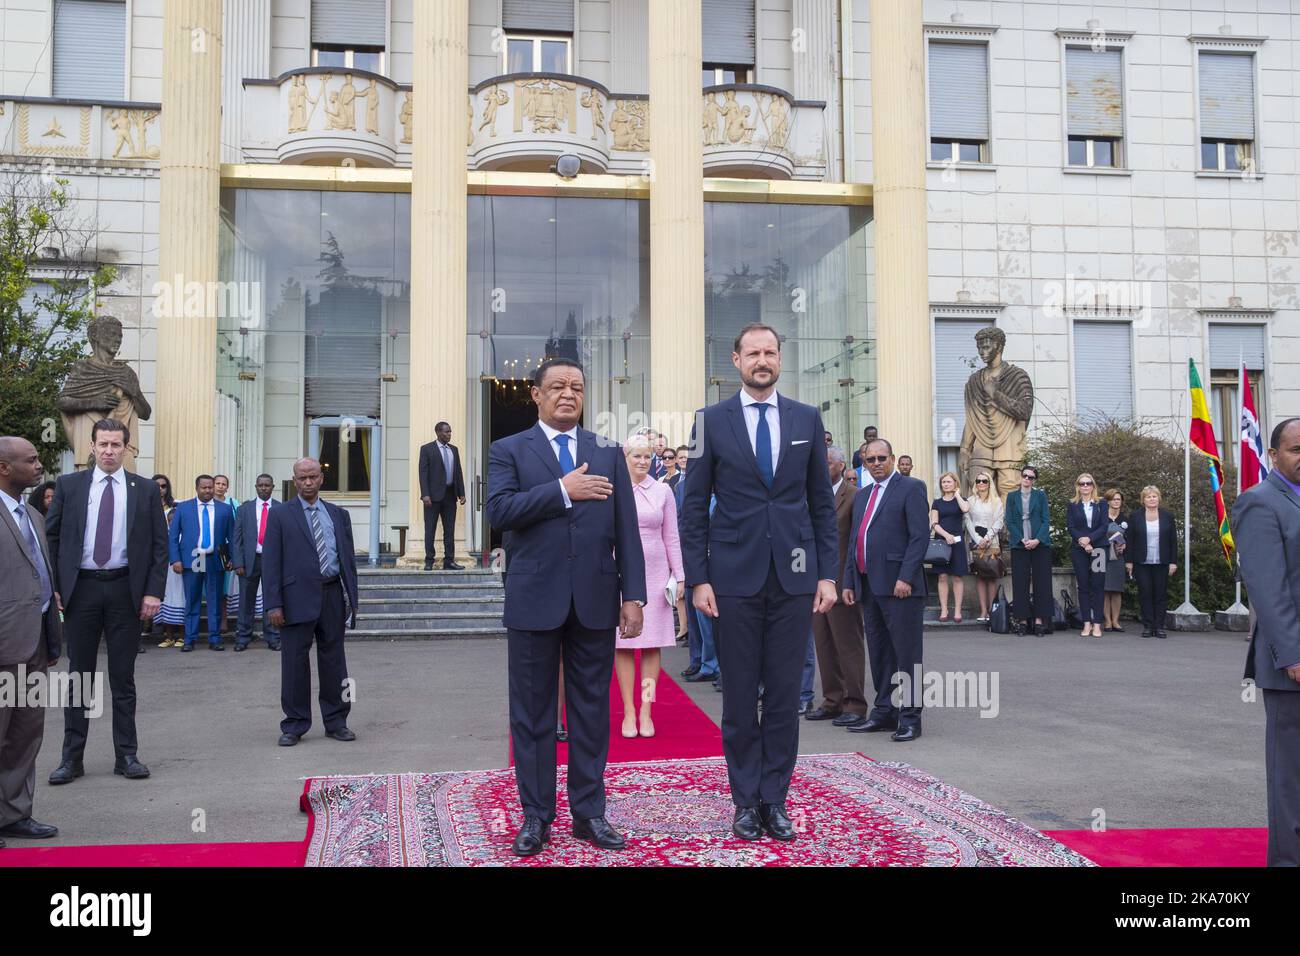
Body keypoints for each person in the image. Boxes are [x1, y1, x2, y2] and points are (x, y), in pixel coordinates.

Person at [680, 323, 838, 843]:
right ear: (736, 359)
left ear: (779, 359)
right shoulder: (710, 421)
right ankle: (745, 801)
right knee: (741, 696)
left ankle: (775, 800)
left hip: (794, 579)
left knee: (788, 694)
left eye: (770, 352)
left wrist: (827, 575)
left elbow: (820, 504)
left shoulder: (806, 419)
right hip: (733, 580)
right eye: (753, 353)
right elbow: (693, 510)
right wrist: (697, 579)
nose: (762, 360)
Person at [486, 358, 646, 857]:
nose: (567, 394)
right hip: (535, 598)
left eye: (576, 387)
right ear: (536, 395)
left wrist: (634, 595)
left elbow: (627, 529)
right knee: (532, 714)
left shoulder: (607, 451)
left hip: (596, 599)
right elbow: (499, 511)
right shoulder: (508, 449)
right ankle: (536, 816)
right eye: (556, 386)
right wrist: (562, 490)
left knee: (592, 711)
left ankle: (589, 812)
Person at [46, 418, 167, 785]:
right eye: (104, 445)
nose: (110, 451)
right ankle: (72, 758)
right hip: (80, 591)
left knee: (123, 677)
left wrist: (153, 591)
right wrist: (54, 585)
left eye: (117, 445)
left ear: (127, 449)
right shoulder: (69, 486)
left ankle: (126, 755)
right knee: (79, 677)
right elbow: (50, 539)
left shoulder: (145, 490)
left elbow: (160, 547)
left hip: (124, 592)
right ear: (93, 447)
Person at [1232, 417, 1300, 866]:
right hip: (1291, 664)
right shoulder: (1259, 503)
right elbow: (1267, 589)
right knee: (1291, 779)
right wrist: (1294, 653)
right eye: (1297, 449)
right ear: (1272, 455)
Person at [262, 457, 360, 746]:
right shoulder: (281, 515)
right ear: (294, 481)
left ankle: (337, 720)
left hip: (331, 596)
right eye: (302, 478)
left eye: (313, 477)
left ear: (321, 479)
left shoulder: (338, 514)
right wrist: (273, 604)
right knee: (294, 663)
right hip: (294, 600)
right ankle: (294, 723)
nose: (307, 482)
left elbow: (348, 560)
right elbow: (271, 562)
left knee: (335, 663)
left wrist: (352, 600)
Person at [840, 438, 930, 741]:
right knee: (879, 654)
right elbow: (856, 540)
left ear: (892, 458)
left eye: (881, 458)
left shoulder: (911, 487)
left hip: (900, 586)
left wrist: (906, 577)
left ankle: (911, 718)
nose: (876, 463)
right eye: (870, 460)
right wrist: (850, 581)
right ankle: (884, 711)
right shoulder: (863, 496)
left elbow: (919, 538)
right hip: (869, 585)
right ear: (863, 463)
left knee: (907, 655)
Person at [0, 437, 61, 845]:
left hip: (34, 642)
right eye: (31, 460)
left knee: (26, 733)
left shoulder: (34, 516)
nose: (38, 466)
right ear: (5, 467)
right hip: (3, 644)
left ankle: (14, 814)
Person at [616, 433, 684, 739]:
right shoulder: (614, 489)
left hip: (656, 573)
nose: (643, 461)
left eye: (647, 456)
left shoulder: (663, 491)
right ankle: (628, 710)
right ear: (625, 457)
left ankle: (646, 710)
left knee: (652, 644)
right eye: (637, 456)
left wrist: (680, 576)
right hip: (621, 571)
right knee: (625, 643)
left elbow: (672, 535)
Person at [806, 446, 868, 728]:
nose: (823, 466)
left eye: (828, 462)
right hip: (815, 585)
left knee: (848, 646)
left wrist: (852, 582)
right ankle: (832, 700)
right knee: (824, 644)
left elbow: (857, 543)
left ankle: (854, 703)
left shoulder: (855, 497)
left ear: (841, 466)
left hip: (843, 584)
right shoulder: (811, 496)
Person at [169, 475, 233, 651]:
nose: (207, 491)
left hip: (214, 558)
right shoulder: (183, 508)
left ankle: (214, 638)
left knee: (214, 599)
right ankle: (189, 639)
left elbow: (232, 537)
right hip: (193, 557)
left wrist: (233, 558)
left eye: (210, 487)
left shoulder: (225, 509)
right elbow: (173, 537)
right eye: (204, 488)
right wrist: (175, 559)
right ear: (196, 488)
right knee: (192, 599)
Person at [231, 473, 282, 652]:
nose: (263, 488)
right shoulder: (244, 509)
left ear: (272, 487)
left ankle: (273, 638)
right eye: (260, 485)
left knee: (272, 601)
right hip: (249, 561)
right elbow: (236, 538)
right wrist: (238, 563)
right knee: (246, 601)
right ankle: (243, 638)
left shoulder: (281, 508)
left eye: (267, 485)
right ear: (256, 486)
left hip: (273, 562)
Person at [678, 482, 720, 686]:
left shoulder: (722, 499)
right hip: (696, 563)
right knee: (699, 622)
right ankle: (704, 663)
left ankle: (713, 667)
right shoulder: (686, 489)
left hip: (717, 565)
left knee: (711, 622)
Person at [1125, 486, 1177, 639]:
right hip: (1141, 562)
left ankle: (1159, 626)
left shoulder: (1168, 516)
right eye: (1148, 497)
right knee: (1145, 593)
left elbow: (1173, 541)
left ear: (1159, 498)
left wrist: (1173, 562)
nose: (1152, 499)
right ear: (1143, 500)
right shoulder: (1135, 516)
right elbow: (1131, 540)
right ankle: (1148, 626)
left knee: (1160, 594)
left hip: (1162, 561)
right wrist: (1129, 561)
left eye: (1154, 496)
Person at [1005, 465, 1051, 636]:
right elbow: (1009, 521)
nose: (1027, 479)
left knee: (1042, 582)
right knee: (1020, 582)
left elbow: (1046, 520)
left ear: (1034, 480)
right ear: (1020, 477)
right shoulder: (1012, 496)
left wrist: (1037, 540)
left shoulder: (1040, 495)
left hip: (1040, 544)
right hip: (1020, 544)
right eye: (1025, 476)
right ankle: (1022, 620)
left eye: (1031, 477)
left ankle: (1039, 620)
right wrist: (1022, 539)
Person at [418, 422, 466, 570]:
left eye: (450, 431)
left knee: (449, 531)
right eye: (446, 432)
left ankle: (449, 561)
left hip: (450, 495)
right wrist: (425, 494)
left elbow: (458, 472)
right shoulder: (427, 449)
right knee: (430, 529)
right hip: (432, 497)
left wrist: (461, 493)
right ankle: (429, 561)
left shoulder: (454, 450)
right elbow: (423, 473)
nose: (449, 434)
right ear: (438, 432)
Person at [1067, 473, 1108, 638]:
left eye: (1088, 483)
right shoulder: (1072, 504)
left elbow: (1104, 526)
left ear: (1093, 485)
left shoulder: (1102, 503)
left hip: (1099, 549)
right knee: (1083, 586)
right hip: (1079, 549)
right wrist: (1083, 542)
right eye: (1082, 484)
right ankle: (1086, 623)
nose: (1085, 486)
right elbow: (1071, 526)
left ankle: (1097, 623)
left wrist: (1090, 539)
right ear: (1078, 486)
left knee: (1098, 586)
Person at [929, 471, 970, 623]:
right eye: (944, 482)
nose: (946, 484)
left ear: (955, 483)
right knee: (942, 576)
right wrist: (946, 535)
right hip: (942, 542)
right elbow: (934, 523)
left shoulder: (962, 500)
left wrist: (957, 494)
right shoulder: (937, 502)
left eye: (949, 482)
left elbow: (965, 509)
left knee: (958, 576)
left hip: (958, 543)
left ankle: (957, 611)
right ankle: (944, 609)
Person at [964, 470, 1004, 622]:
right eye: (978, 481)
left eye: (984, 481)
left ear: (989, 483)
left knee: (992, 575)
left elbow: (999, 521)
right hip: (976, 541)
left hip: (991, 542)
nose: (981, 483)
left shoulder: (996, 501)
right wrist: (978, 538)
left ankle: (993, 611)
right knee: (979, 577)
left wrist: (987, 538)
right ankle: (983, 611)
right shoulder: (970, 500)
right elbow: (967, 521)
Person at [151, 474, 185, 648]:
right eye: (156, 486)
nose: (160, 489)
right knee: (163, 595)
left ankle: (181, 635)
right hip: (158, 558)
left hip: (177, 558)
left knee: (179, 596)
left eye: (163, 486)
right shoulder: (147, 505)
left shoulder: (176, 505)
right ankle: (167, 635)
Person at [1101, 489, 1129, 633]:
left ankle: (1116, 621)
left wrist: (1125, 545)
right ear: (1108, 501)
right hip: (1102, 556)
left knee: (1117, 590)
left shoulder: (1125, 519)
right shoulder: (1100, 517)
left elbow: (1131, 538)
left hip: (1118, 557)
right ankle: (1107, 621)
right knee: (1105, 590)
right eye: (1113, 499)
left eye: (1118, 499)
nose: (1116, 502)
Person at [213, 475, 238, 635]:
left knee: (223, 588)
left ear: (227, 487)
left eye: (224, 484)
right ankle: (212, 621)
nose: (220, 486)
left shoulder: (233, 504)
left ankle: (223, 620)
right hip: (205, 552)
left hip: (225, 551)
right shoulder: (204, 502)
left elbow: (236, 530)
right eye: (218, 483)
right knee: (207, 588)